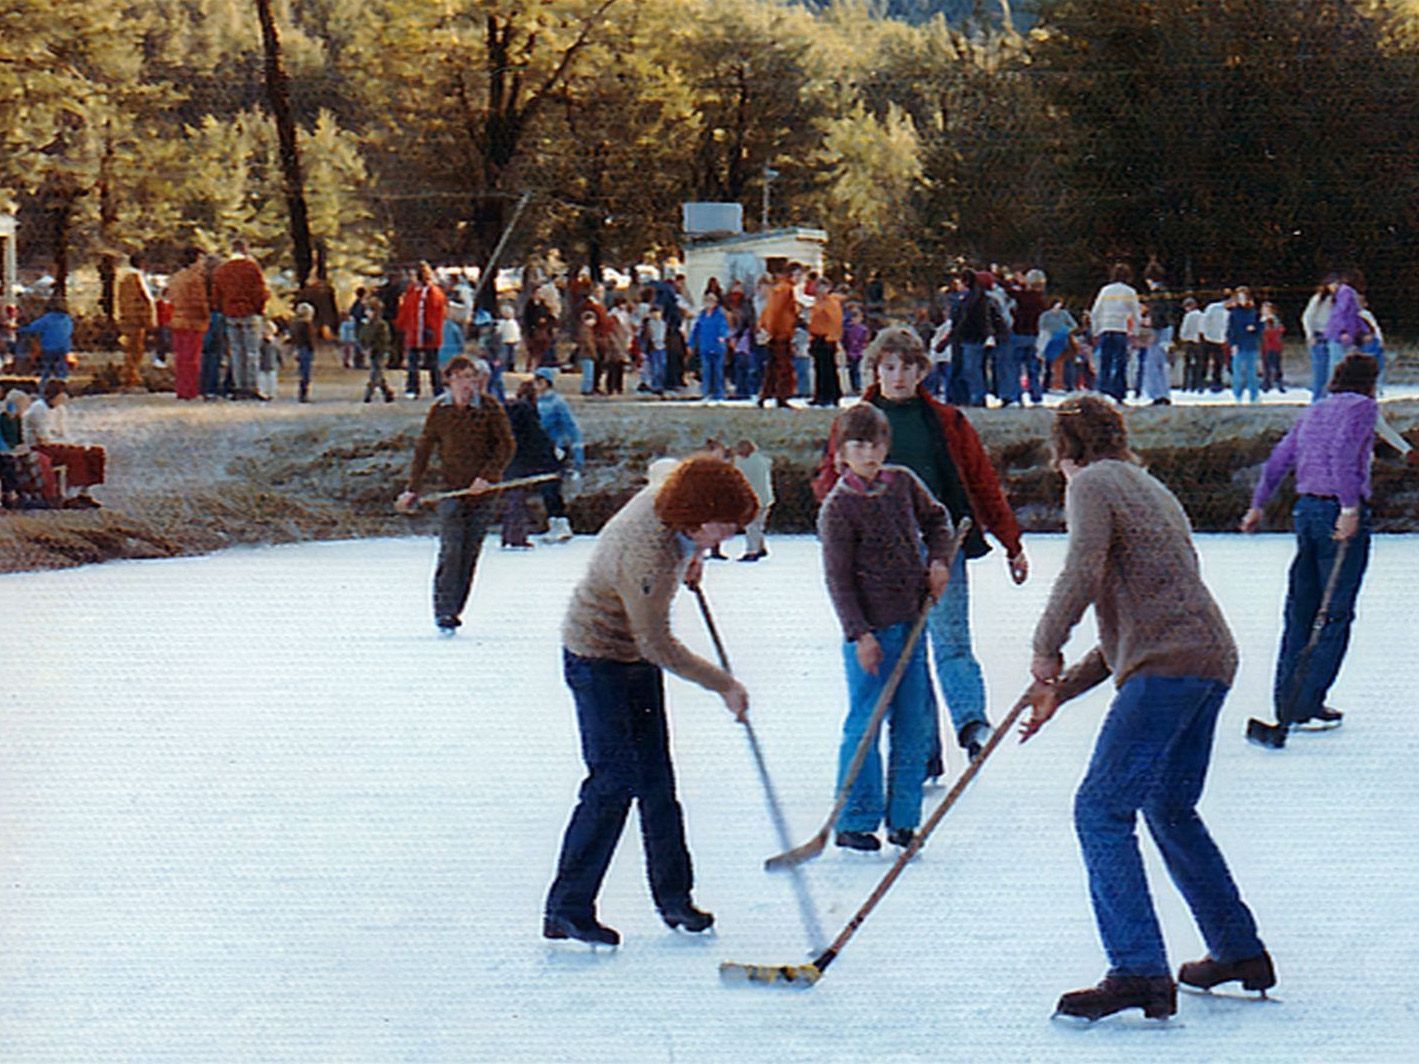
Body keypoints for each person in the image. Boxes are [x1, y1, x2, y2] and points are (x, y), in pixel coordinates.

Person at [1020, 394, 1271, 1022]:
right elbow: (1129, 630)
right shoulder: (1148, 487)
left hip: (1168, 668)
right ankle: (1237, 950)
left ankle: (1137, 970)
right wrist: (1063, 688)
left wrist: (1045, 645)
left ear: (1066, 450)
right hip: (1206, 659)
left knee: (1100, 808)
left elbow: (1081, 570)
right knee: (1168, 805)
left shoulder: (1092, 483)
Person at [543, 454, 756, 946]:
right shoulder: (649, 557)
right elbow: (656, 645)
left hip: (632, 656)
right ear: (697, 519)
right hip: (596, 656)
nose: (729, 537)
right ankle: (566, 908)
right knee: (613, 782)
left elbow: (667, 467)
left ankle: (675, 899)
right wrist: (723, 683)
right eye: (724, 529)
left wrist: (695, 556)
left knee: (658, 780)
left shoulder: (673, 498)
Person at [814, 326, 1028, 772]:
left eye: (908, 367)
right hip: (880, 561)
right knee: (906, 653)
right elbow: (832, 484)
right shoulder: (854, 422)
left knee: (951, 640)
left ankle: (972, 724)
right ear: (874, 369)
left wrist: (1011, 542)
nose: (899, 376)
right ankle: (924, 751)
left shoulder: (946, 421)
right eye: (889, 367)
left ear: (922, 371)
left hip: (940, 548)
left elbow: (982, 481)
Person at [819, 404, 952, 852]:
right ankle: (854, 819)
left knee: (914, 722)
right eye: (858, 445)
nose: (869, 453)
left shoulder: (903, 484)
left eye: (876, 444)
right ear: (842, 451)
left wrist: (938, 560)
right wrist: (860, 634)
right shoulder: (839, 508)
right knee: (865, 723)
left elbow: (938, 522)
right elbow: (838, 579)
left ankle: (903, 818)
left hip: (911, 624)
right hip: (871, 635)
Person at [1242, 354, 1385, 748]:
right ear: (1370, 382)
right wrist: (1350, 507)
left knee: (1301, 609)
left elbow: (1280, 459)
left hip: (1305, 511)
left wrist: (1258, 504)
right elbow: (1343, 455)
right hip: (1336, 513)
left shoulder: (1316, 410)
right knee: (1335, 612)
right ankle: (1305, 705)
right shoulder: (1363, 408)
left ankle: (1289, 701)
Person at [395, 356, 515, 635]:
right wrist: (413, 488)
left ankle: (456, 609)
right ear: (449, 380)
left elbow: (506, 446)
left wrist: (488, 476)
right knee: (451, 550)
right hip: (450, 490)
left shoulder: (489, 408)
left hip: (483, 494)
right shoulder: (440, 410)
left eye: (471, 377)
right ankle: (444, 611)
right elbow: (423, 450)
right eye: (460, 377)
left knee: (469, 553)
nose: (466, 384)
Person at [498, 379, 561, 549]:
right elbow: (535, 436)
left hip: (508, 458)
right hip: (521, 460)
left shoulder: (509, 409)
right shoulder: (526, 411)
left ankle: (508, 535)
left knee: (512, 498)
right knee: (517, 499)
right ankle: (517, 537)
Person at [23, 379, 106, 508]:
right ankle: (70, 495)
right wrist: (66, 445)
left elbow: (63, 432)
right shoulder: (38, 408)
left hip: (57, 444)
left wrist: (75, 443)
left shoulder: (60, 409)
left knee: (94, 452)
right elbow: (43, 437)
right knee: (75, 456)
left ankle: (84, 492)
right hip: (41, 447)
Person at [212, 239, 270, 400]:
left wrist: (223, 308)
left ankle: (239, 386)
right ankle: (251, 386)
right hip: (249, 313)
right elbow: (260, 291)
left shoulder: (222, 270)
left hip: (230, 313)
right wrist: (259, 309)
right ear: (246, 250)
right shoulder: (251, 268)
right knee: (251, 352)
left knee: (236, 352)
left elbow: (216, 294)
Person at [532, 367, 583, 544]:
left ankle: (561, 524)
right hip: (540, 450)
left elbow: (571, 427)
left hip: (556, 450)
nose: (537, 384)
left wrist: (577, 453)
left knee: (552, 488)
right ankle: (553, 524)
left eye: (540, 380)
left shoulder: (557, 403)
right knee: (544, 488)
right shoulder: (534, 401)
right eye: (535, 380)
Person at [1088, 262, 1139, 403]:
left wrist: (1095, 330)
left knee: (1105, 362)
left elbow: (1095, 312)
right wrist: (1135, 332)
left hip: (1105, 329)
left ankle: (1102, 392)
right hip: (1120, 330)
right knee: (1121, 363)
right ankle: (1119, 393)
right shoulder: (1130, 292)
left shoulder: (1105, 290)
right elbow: (1135, 314)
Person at [396, 262, 448, 400]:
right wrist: (401, 325)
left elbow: (437, 313)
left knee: (432, 363)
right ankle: (413, 388)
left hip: (428, 333)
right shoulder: (412, 291)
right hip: (414, 333)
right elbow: (406, 310)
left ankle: (437, 389)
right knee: (413, 363)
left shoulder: (432, 292)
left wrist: (431, 329)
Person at [167, 245, 209, 401]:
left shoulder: (176, 277)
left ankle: (181, 389)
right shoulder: (195, 278)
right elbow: (200, 302)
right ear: (196, 259)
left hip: (177, 320)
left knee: (181, 358)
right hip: (193, 321)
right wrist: (206, 317)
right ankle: (191, 390)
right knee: (192, 359)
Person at [757, 263, 801, 409]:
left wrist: (765, 327)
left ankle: (765, 395)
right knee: (783, 367)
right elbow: (775, 312)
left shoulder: (777, 289)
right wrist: (772, 330)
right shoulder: (785, 289)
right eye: (798, 275)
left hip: (777, 332)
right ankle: (781, 396)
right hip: (781, 333)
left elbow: (768, 311)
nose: (800, 279)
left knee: (772, 367)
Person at [116, 253, 156, 389]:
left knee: (135, 350)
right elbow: (138, 301)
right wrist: (147, 320)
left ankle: (132, 376)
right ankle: (129, 379)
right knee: (133, 350)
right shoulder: (133, 278)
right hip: (134, 321)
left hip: (132, 320)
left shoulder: (129, 278)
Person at [18, 297, 75, 392]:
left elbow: (33, 328)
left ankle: (43, 387)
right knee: (61, 369)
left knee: (47, 368)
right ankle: (63, 386)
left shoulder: (47, 318)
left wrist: (20, 330)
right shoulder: (67, 319)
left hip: (49, 348)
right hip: (64, 348)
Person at [732, 438, 773, 561]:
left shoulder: (744, 463)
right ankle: (761, 547)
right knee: (758, 525)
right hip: (766, 498)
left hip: (754, 499)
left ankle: (752, 551)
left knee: (751, 526)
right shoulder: (763, 460)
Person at [807, 279, 844, 408]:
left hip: (827, 339)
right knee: (819, 369)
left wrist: (832, 337)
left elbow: (835, 321)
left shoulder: (831, 303)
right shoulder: (817, 303)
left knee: (828, 369)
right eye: (818, 287)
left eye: (823, 287)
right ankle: (820, 395)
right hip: (817, 337)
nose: (820, 290)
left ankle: (831, 395)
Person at [688, 290, 730, 402]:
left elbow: (724, 327)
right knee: (706, 371)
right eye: (707, 301)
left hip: (717, 346)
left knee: (718, 371)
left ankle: (719, 394)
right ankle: (706, 393)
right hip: (705, 346)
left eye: (711, 301)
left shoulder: (720, 315)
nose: (709, 303)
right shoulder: (702, 315)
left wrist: (722, 336)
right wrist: (691, 343)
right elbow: (696, 330)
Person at [1300, 281, 1335, 401]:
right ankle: (1317, 398)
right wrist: (1310, 335)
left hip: (1333, 336)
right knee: (1320, 369)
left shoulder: (1340, 300)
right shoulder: (1318, 299)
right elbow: (1307, 317)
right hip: (1319, 335)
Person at [1227, 286, 1261, 403]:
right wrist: (1232, 344)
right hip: (1238, 345)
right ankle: (1237, 395)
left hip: (1251, 345)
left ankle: (1254, 395)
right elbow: (1230, 330)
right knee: (1237, 373)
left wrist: (1255, 328)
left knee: (1251, 373)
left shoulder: (1254, 312)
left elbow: (1260, 327)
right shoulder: (1234, 313)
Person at [359, 297, 395, 403]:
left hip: (380, 352)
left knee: (376, 373)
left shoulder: (381, 325)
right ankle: (387, 392)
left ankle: (369, 393)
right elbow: (362, 336)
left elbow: (384, 340)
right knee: (379, 373)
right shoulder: (367, 324)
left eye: (369, 310)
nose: (367, 312)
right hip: (372, 351)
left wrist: (373, 347)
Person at [1200, 291, 1232, 392]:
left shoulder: (1231, 312)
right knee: (1204, 360)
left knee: (1219, 361)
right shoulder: (1213, 308)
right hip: (1209, 337)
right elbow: (1204, 320)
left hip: (1221, 339)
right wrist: (1203, 333)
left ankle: (1217, 382)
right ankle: (1201, 381)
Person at [288, 302, 316, 403]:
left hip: (299, 348)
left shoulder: (294, 324)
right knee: (306, 373)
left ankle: (302, 392)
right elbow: (309, 339)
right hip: (306, 349)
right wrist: (312, 348)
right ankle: (303, 394)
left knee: (302, 371)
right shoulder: (307, 325)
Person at [1177, 296, 1206, 393]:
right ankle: (1198, 385)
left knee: (1187, 365)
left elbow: (1184, 329)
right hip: (1200, 342)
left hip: (1189, 342)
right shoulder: (1202, 315)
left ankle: (1186, 386)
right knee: (1199, 365)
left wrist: (1182, 337)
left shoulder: (1189, 316)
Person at [1260, 302, 1286, 393]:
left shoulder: (1274, 320)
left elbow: (1279, 331)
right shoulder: (1261, 321)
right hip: (1266, 346)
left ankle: (1278, 382)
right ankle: (1267, 383)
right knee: (1266, 365)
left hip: (1274, 346)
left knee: (1276, 365)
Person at [258, 320, 282, 401]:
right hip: (262, 364)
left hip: (272, 364)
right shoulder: (260, 342)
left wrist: (281, 361)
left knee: (272, 379)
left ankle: (271, 393)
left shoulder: (275, 342)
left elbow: (279, 352)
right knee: (262, 379)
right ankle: (263, 393)